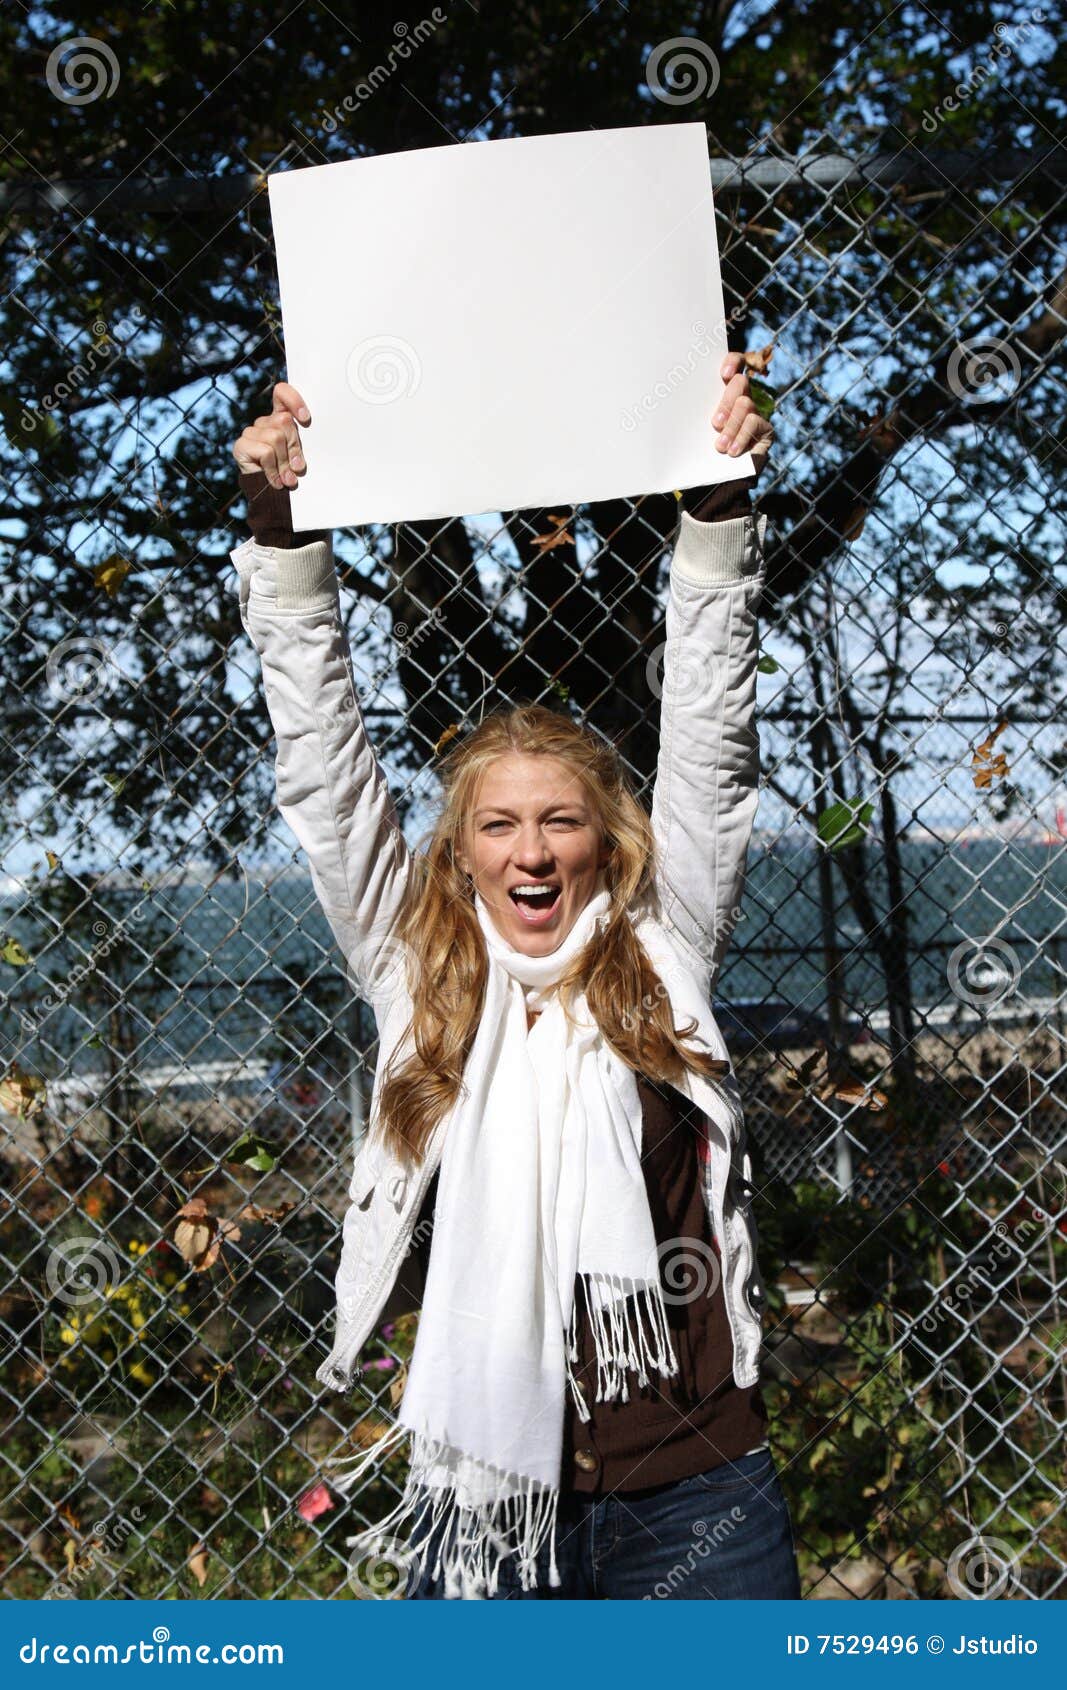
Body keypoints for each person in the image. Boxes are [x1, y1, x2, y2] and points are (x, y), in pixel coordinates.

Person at [228, 353, 801, 1600]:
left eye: (559, 822)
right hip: (485, 1489)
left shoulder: (664, 945)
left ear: (608, 840)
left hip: (694, 1484)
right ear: (460, 848)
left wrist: (713, 510)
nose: (531, 851)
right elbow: (325, 771)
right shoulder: (414, 961)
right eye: (498, 825)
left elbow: (709, 735)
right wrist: (283, 534)